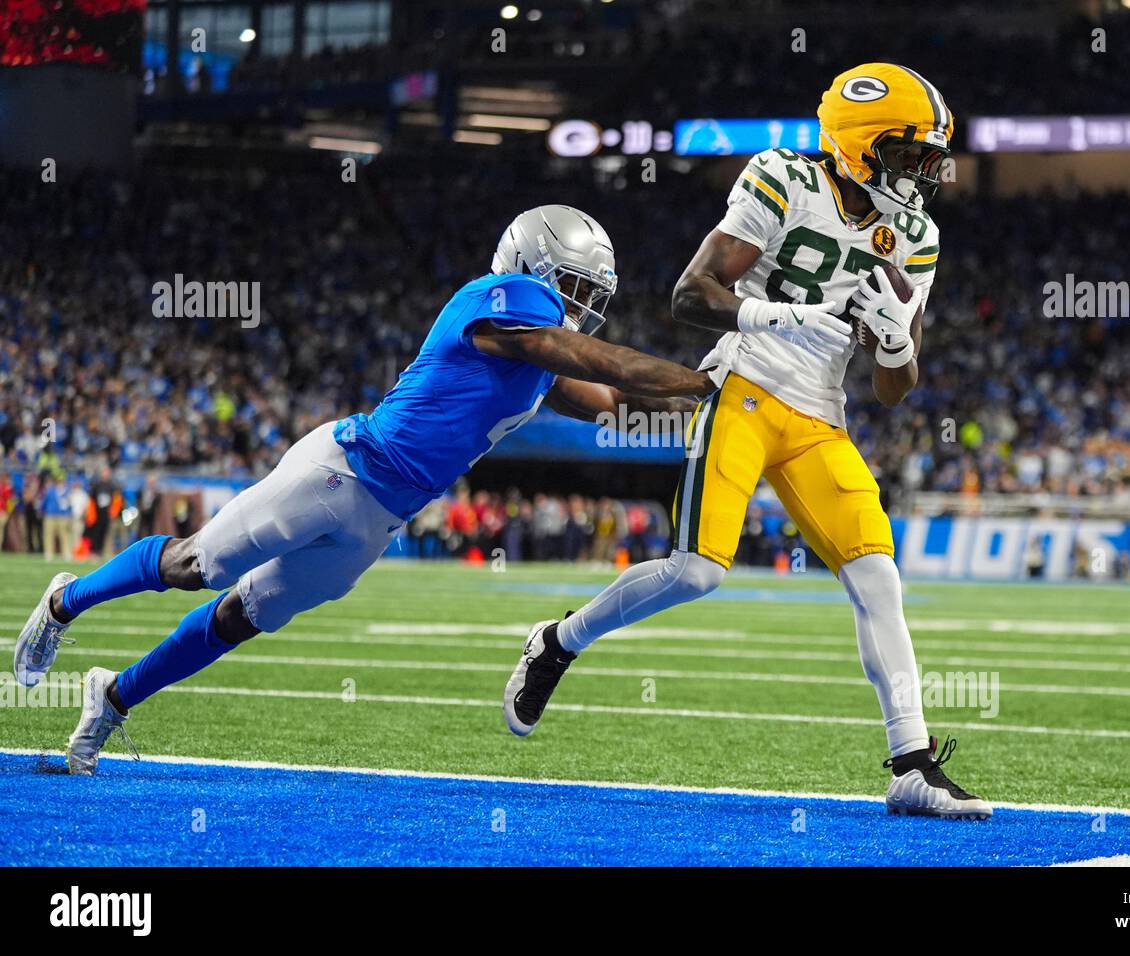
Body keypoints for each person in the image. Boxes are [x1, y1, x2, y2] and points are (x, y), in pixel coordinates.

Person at [12, 204, 711, 775]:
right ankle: (65, 600)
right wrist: (694, 378)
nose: (583, 307)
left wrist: (710, 414)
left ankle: (113, 697)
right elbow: (590, 358)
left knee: (242, 617)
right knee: (196, 565)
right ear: (530, 268)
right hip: (341, 469)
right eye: (574, 287)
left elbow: (605, 401)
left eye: (592, 296)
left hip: (383, 519)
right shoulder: (504, 304)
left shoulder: (540, 356)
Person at [503, 65, 990, 819]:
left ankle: (912, 764)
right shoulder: (784, 180)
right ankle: (560, 640)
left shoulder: (916, 235)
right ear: (862, 145)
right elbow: (689, 297)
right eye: (910, 151)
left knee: (878, 577)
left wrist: (895, 347)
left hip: (820, 414)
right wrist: (777, 317)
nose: (925, 170)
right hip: (745, 388)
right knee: (697, 572)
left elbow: (897, 391)